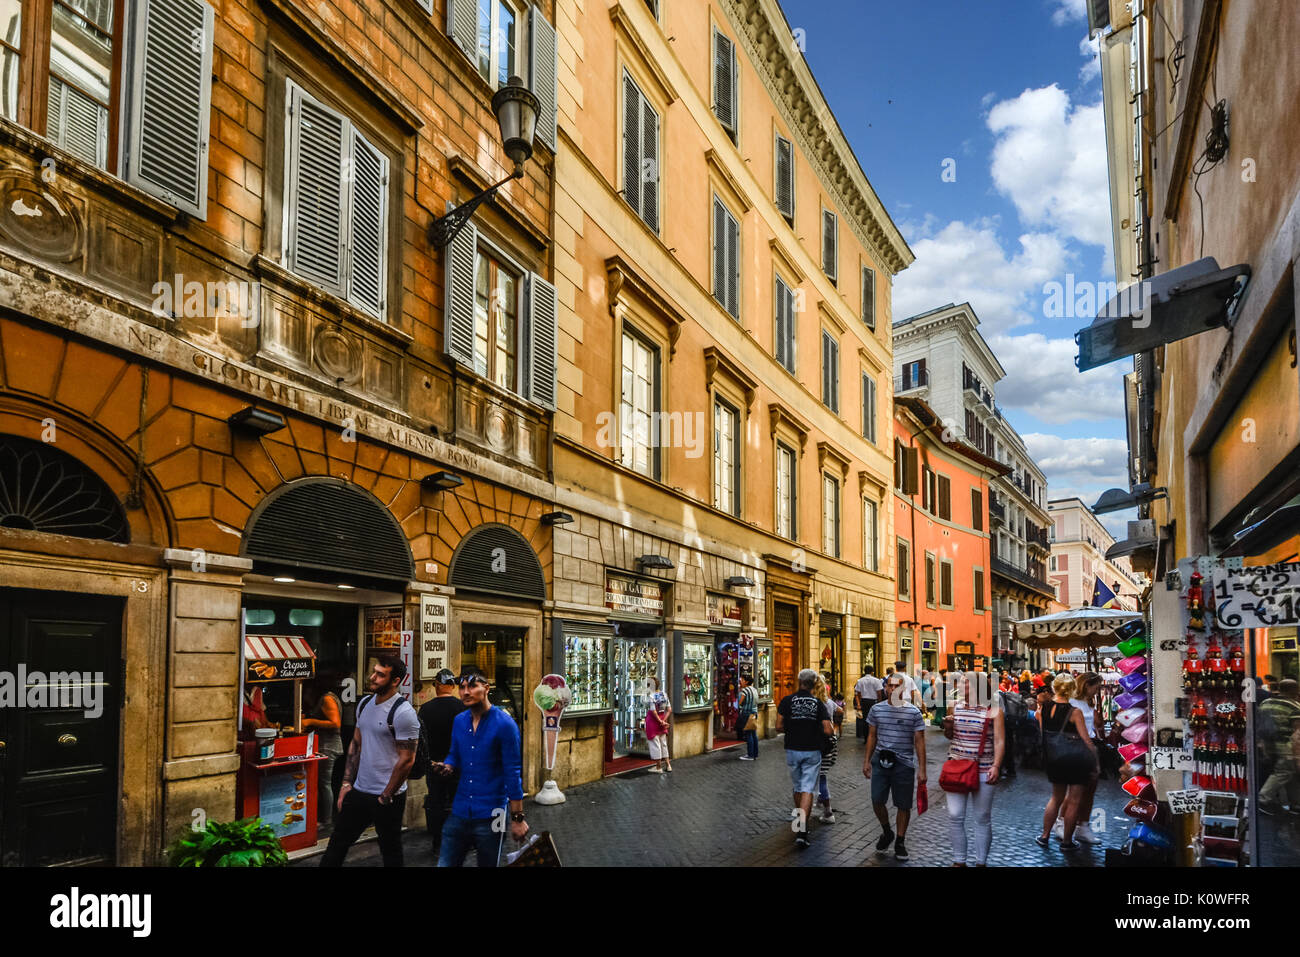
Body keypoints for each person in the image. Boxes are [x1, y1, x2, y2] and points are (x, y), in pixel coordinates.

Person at [320, 656, 420, 867]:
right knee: (336, 846)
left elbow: (407, 760)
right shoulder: (364, 703)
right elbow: (356, 744)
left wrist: (385, 796)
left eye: (380, 675)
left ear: (395, 681)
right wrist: (346, 783)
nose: (372, 677)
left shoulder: (404, 713)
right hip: (360, 790)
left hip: (388, 797)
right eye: (373, 672)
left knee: (391, 851)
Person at [434, 668, 528, 867]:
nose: (466, 692)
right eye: (462, 687)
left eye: (472, 686)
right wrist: (449, 765)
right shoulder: (459, 721)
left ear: (486, 688)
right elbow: (454, 753)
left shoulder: (505, 725)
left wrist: (518, 818)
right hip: (459, 810)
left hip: (492, 813)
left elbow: (512, 773)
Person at [943, 672, 1005, 867]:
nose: (960, 686)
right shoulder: (955, 706)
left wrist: (996, 765)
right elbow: (949, 736)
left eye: (965, 683)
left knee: (982, 817)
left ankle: (980, 862)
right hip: (957, 766)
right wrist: (948, 727)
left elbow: (999, 740)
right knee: (955, 815)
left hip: (984, 768)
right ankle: (959, 860)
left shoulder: (993, 710)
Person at [864, 671, 927, 861]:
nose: (892, 689)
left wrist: (922, 769)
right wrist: (867, 760)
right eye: (889, 685)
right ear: (885, 688)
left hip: (904, 764)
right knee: (877, 800)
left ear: (903, 689)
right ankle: (886, 831)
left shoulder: (913, 712)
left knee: (903, 804)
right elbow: (872, 736)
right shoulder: (876, 710)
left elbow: (919, 741)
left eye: (896, 686)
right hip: (881, 761)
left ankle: (900, 841)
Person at [1035, 673, 1097, 851]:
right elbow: (1087, 740)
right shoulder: (1074, 712)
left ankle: (1045, 836)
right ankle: (1067, 842)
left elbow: (1044, 735)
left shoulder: (1043, 709)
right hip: (1075, 759)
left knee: (1056, 798)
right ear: (1072, 690)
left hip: (1054, 758)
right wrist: (1096, 759)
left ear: (1054, 687)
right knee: (1075, 800)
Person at [776, 668, 834, 848]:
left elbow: (778, 726)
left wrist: (793, 729)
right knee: (808, 788)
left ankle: (800, 824)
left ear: (798, 681)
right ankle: (802, 831)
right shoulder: (818, 704)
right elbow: (828, 730)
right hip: (812, 750)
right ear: (814, 683)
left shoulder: (787, 701)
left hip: (793, 748)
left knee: (798, 786)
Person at [418, 668, 466, 856]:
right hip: (457, 765)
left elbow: (420, 741)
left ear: (436, 685)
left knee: (436, 803)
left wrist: (429, 763)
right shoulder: (462, 708)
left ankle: (438, 844)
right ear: (453, 686)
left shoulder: (425, 709)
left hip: (434, 766)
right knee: (457, 803)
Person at [300, 678, 344, 831]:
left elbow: (335, 723)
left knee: (324, 783)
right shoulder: (327, 697)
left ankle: (326, 820)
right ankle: (324, 818)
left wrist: (310, 721)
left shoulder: (326, 698)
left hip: (328, 746)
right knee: (323, 782)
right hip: (327, 745)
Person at [1068, 673, 1105, 844]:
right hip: (1079, 748)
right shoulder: (1072, 703)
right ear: (1086, 685)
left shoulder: (1089, 703)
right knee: (1076, 793)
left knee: (1090, 790)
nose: (1097, 691)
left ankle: (1083, 825)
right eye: (1096, 687)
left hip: (1090, 745)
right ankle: (1066, 824)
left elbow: (1095, 724)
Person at [1258, 678, 1300, 812]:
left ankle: (1296, 804)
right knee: (1284, 771)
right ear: (1294, 690)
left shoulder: (1266, 703)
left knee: (1290, 774)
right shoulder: (1294, 706)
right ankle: (1263, 799)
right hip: (1285, 745)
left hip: (1267, 744)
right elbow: (1297, 732)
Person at [814, 675, 838, 824]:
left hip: (819, 742)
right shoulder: (829, 702)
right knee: (821, 774)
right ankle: (820, 800)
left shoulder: (815, 704)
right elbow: (840, 710)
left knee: (820, 777)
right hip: (830, 742)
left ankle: (828, 811)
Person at [645, 676, 672, 772]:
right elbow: (669, 710)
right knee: (663, 743)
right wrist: (664, 721)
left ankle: (658, 767)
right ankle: (668, 765)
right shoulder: (663, 694)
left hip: (653, 722)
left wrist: (660, 721)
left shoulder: (651, 696)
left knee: (655, 744)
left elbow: (653, 711)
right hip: (662, 720)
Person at [854, 665, 883, 739]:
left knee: (865, 719)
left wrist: (859, 704)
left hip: (864, 701)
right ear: (872, 672)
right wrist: (879, 702)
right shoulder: (876, 680)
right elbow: (879, 692)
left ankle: (866, 737)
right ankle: (874, 736)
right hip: (873, 701)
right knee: (875, 719)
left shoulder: (860, 681)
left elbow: (857, 693)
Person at [736, 674, 759, 760]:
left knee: (748, 734)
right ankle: (755, 754)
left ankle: (750, 755)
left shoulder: (744, 691)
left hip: (747, 714)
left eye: (741, 680)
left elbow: (740, 702)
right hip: (754, 713)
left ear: (746, 681)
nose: (740, 682)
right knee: (754, 734)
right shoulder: (754, 690)